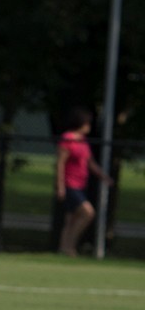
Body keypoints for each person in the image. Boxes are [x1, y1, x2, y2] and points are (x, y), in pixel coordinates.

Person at [55, 106, 113, 257]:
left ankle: (64, 249)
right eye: (87, 123)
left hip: (81, 184)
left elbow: (90, 163)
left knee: (71, 218)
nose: (89, 126)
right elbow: (60, 163)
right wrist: (60, 186)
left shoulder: (83, 141)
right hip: (70, 184)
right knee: (88, 213)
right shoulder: (68, 138)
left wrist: (104, 177)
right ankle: (70, 247)